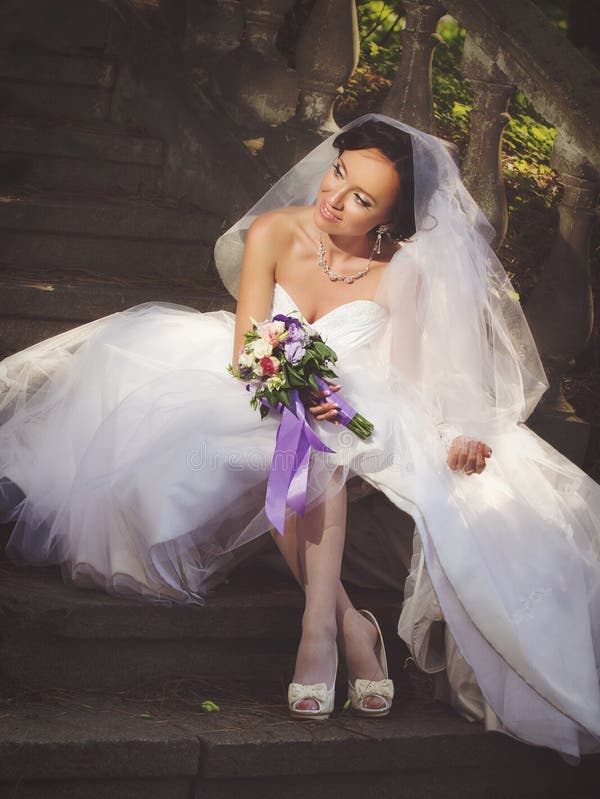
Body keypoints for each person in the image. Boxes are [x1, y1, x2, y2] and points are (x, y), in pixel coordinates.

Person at [0, 115, 599, 763]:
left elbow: (409, 380)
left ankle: (319, 632)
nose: (334, 197)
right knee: (301, 433)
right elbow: (247, 350)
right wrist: (292, 384)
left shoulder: (401, 270)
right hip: (243, 384)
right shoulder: (274, 231)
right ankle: (345, 624)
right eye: (337, 172)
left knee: (321, 436)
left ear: (390, 218)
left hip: (350, 402)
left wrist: (441, 428)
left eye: (361, 199)